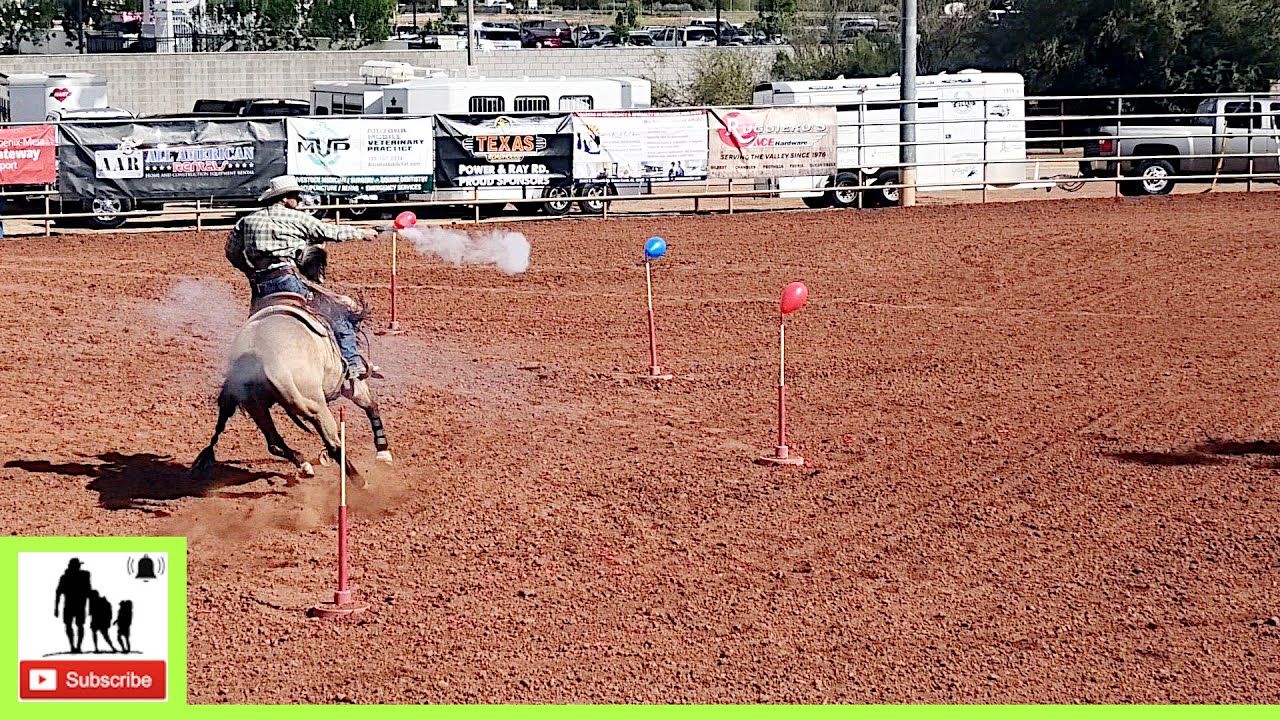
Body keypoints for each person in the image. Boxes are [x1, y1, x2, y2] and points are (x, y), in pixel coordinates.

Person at [225, 175, 378, 381]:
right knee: (339, 314)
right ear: (285, 198)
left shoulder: (247, 221)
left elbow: (232, 252)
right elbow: (330, 231)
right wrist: (362, 233)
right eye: (295, 196)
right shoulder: (298, 218)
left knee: (253, 327)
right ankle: (352, 362)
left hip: (260, 288)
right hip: (289, 281)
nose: (298, 200)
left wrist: (250, 271)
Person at [54, 558, 92, 654]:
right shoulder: (81, 576)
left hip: (75, 605)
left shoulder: (84, 575)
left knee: (76, 625)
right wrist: (56, 607)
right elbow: (58, 592)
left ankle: (76, 646)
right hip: (75, 605)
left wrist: (56, 607)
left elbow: (88, 591)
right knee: (73, 625)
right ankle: (74, 646)